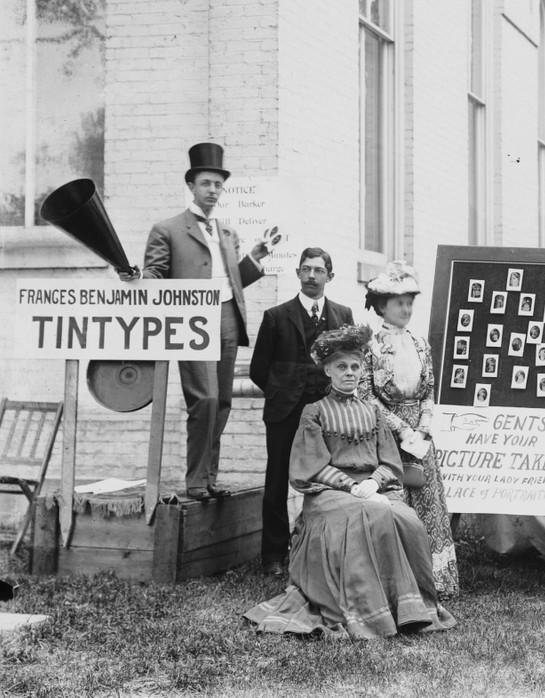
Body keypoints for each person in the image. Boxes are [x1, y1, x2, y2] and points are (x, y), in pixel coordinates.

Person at [244, 325, 456, 639]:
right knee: (369, 514)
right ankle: (369, 611)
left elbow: (389, 462)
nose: (349, 373)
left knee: (406, 517)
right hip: (328, 494)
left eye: (355, 367)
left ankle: (409, 608)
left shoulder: (373, 413)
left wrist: (373, 481)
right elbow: (310, 466)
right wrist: (352, 486)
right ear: (328, 370)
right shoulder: (313, 412)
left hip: (370, 488)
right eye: (341, 367)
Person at [121, 143, 275, 500]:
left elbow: (233, 282)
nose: (212, 190)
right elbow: (155, 276)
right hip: (190, 321)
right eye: (206, 183)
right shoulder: (168, 229)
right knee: (203, 399)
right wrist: (138, 278)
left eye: (218, 185)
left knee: (222, 400)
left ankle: (208, 479)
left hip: (226, 318)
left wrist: (255, 258)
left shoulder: (228, 233)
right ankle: (194, 480)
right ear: (191, 185)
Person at [249, 248, 354, 577]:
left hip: (329, 412)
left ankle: (330, 549)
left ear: (329, 277)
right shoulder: (276, 316)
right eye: (306, 269)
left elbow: (348, 362)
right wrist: (283, 391)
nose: (311, 276)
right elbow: (258, 369)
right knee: (277, 482)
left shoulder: (343, 315)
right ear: (297, 273)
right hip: (285, 413)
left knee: (335, 477)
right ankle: (273, 556)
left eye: (318, 270)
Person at [358, 261, 459, 597]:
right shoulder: (369, 346)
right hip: (387, 437)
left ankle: (434, 580)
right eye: (399, 302)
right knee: (394, 502)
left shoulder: (420, 343)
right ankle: (394, 582)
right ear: (382, 305)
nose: (406, 308)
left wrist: (425, 426)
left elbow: (430, 389)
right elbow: (365, 394)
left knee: (427, 503)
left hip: (421, 439)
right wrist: (401, 428)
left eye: (410, 302)